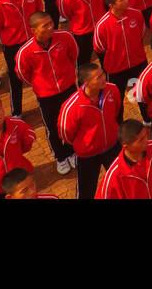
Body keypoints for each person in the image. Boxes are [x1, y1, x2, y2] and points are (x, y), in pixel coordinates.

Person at [16, 12, 78, 173]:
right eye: (45, 26)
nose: (51, 27)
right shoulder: (26, 51)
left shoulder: (65, 37)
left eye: (51, 23)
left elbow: (73, 55)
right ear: (33, 30)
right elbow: (23, 74)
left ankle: (72, 151)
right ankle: (60, 156)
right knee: (53, 127)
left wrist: (67, 76)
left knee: (72, 122)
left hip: (68, 88)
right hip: (46, 96)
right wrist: (40, 85)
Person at [57, 62, 121, 200]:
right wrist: (84, 145)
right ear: (86, 82)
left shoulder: (113, 90)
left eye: (102, 74)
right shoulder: (72, 107)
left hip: (113, 147)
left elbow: (116, 111)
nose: (104, 78)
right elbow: (66, 135)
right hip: (88, 155)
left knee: (122, 182)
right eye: (98, 77)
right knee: (86, 191)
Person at [95, 119, 152, 199]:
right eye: (141, 140)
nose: (146, 140)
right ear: (126, 147)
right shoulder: (115, 175)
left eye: (146, 135)